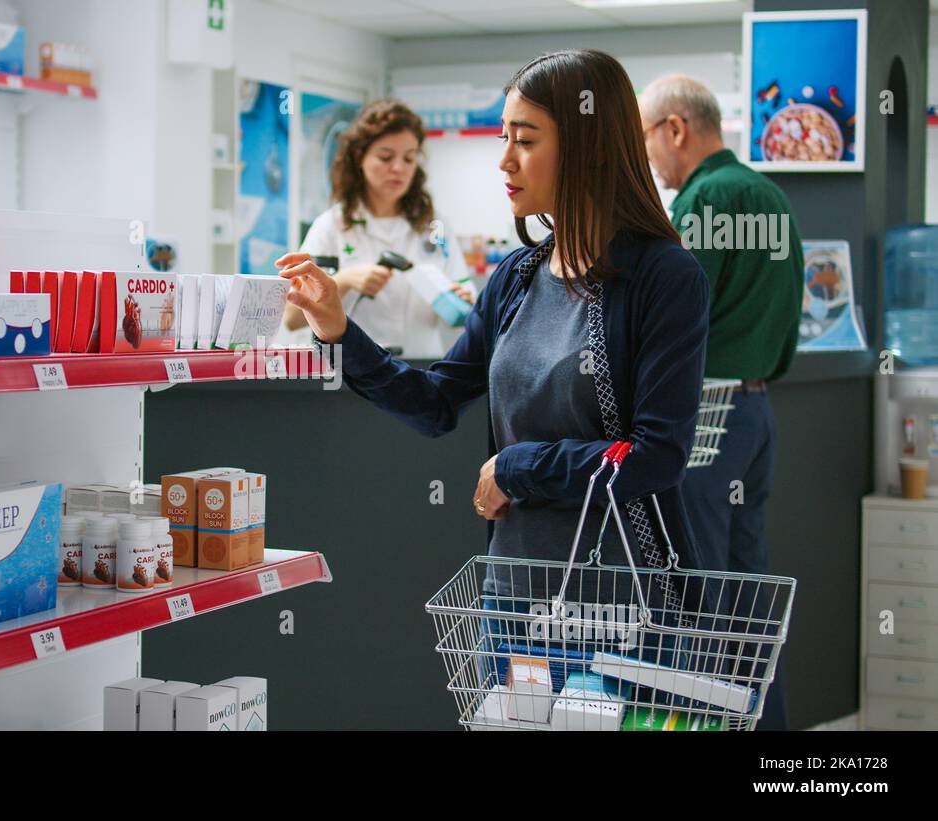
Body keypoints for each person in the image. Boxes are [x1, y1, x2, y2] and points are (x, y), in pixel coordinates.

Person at [280, 49, 710, 659]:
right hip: (511, 595)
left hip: (622, 601)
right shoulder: (517, 277)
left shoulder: (664, 277)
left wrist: (518, 467)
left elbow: (655, 456)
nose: (504, 160)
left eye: (526, 140)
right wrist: (336, 329)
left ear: (587, 147)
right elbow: (434, 403)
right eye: (504, 137)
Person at [640, 74, 802, 730]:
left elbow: (671, 318)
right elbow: (790, 319)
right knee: (749, 604)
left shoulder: (702, 200)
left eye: (647, 140)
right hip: (756, 414)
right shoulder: (772, 195)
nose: (649, 160)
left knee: (692, 597)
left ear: (674, 128)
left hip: (704, 420)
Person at [282, 99, 474, 358]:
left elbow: (464, 309)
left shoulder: (434, 226)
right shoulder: (332, 226)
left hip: (421, 370)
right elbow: (292, 318)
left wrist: (465, 300)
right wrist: (344, 281)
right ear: (360, 157)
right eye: (385, 157)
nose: (398, 168)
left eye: (409, 158)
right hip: (354, 375)